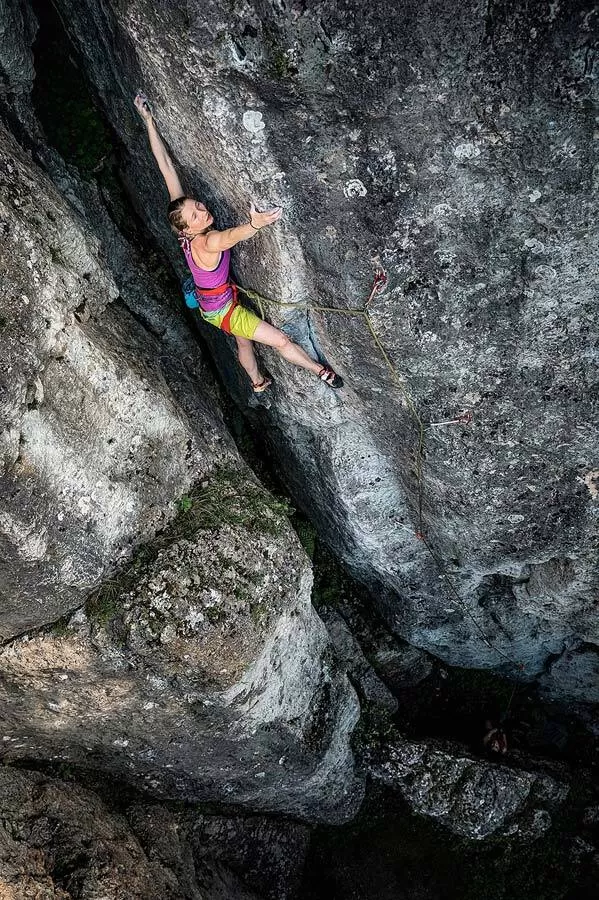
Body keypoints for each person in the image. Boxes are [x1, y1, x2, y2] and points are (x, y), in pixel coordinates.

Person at [134, 93, 343, 392]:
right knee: (279, 339)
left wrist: (149, 121)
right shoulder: (206, 242)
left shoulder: (182, 226)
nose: (203, 211)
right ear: (188, 226)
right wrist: (254, 224)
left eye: (199, 205)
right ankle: (319, 370)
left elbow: (166, 166)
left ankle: (257, 381)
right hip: (223, 310)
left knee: (242, 341)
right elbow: (230, 236)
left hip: (212, 303)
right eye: (196, 214)